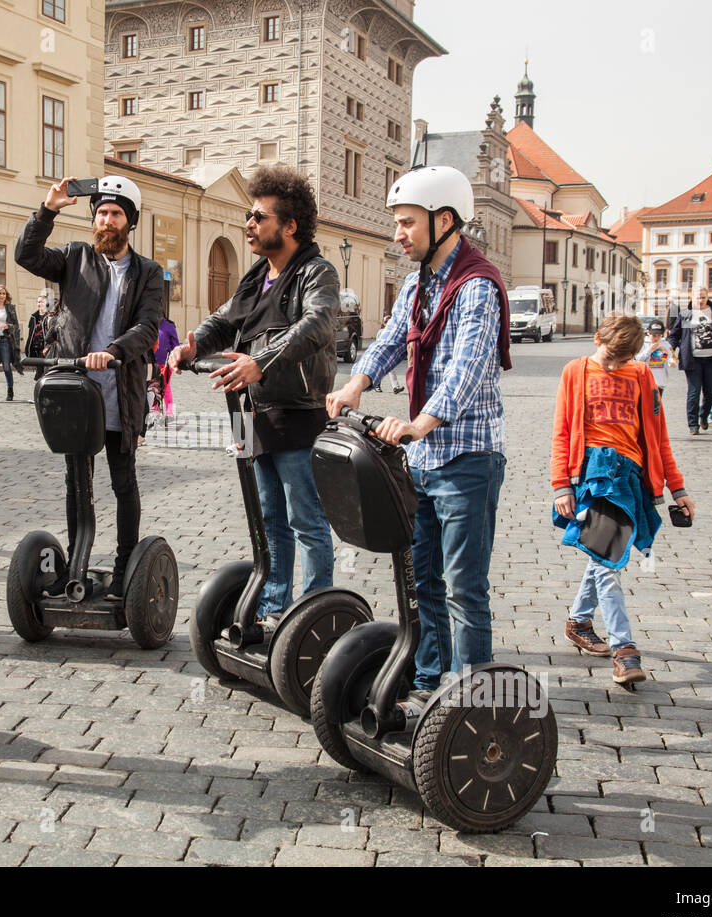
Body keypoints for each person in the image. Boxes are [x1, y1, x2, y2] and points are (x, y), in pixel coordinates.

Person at [326, 166, 511, 702]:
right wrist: (354, 385)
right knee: (422, 582)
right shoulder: (418, 283)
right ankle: (430, 684)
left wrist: (418, 424)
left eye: (407, 223)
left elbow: (469, 368)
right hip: (423, 461)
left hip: (467, 458)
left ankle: (474, 701)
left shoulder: (476, 286)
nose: (398, 234)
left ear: (444, 220)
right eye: (397, 223)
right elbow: (387, 342)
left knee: (465, 590)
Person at [170, 167, 339, 624]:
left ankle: (314, 615)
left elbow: (318, 324)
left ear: (289, 226)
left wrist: (260, 361)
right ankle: (271, 609)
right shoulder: (256, 276)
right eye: (248, 215)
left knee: (306, 521)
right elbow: (223, 319)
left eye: (258, 217)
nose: (248, 223)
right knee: (268, 518)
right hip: (250, 413)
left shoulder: (316, 272)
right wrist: (192, 346)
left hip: (296, 412)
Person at [16, 174, 163, 597]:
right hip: (76, 391)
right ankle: (75, 563)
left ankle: (123, 569)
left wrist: (115, 350)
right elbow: (26, 254)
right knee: (77, 481)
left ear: (129, 221)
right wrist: (48, 209)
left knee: (122, 482)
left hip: (120, 393)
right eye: (101, 213)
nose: (107, 220)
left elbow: (148, 327)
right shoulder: (74, 258)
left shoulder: (147, 273)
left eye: (116, 214)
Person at [552, 312, 695, 685]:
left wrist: (677, 488)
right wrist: (560, 485)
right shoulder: (576, 371)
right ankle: (624, 649)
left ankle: (579, 621)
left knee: (605, 554)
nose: (616, 365)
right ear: (597, 338)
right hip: (594, 477)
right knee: (608, 562)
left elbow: (659, 436)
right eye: (612, 357)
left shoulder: (643, 375)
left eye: (624, 360)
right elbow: (562, 432)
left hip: (629, 478)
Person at [667, 286, 712, 435]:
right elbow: (675, 334)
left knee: (711, 392)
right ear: (692, 297)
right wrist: (668, 350)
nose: (700, 300)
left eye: (703, 297)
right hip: (693, 359)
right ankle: (693, 424)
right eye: (697, 297)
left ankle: (703, 416)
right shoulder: (686, 314)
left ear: (707, 298)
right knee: (694, 392)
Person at [634, 319, 675, 395]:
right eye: (654, 335)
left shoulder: (665, 344)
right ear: (648, 332)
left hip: (660, 381)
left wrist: (671, 362)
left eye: (659, 335)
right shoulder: (642, 343)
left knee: (657, 405)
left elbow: (672, 356)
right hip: (645, 381)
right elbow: (637, 359)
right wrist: (650, 350)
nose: (656, 338)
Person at [369, 313, 406, 393]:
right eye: (387, 322)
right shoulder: (381, 332)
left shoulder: (393, 332)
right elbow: (377, 342)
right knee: (379, 370)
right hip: (381, 353)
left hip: (389, 353)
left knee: (392, 370)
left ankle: (396, 387)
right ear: (384, 323)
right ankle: (377, 385)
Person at [154, 313, 179, 420]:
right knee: (153, 387)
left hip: (166, 363)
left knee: (166, 387)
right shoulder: (151, 325)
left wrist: (175, 358)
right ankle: (155, 411)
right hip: (153, 363)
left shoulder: (169, 326)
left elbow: (176, 345)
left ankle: (170, 412)